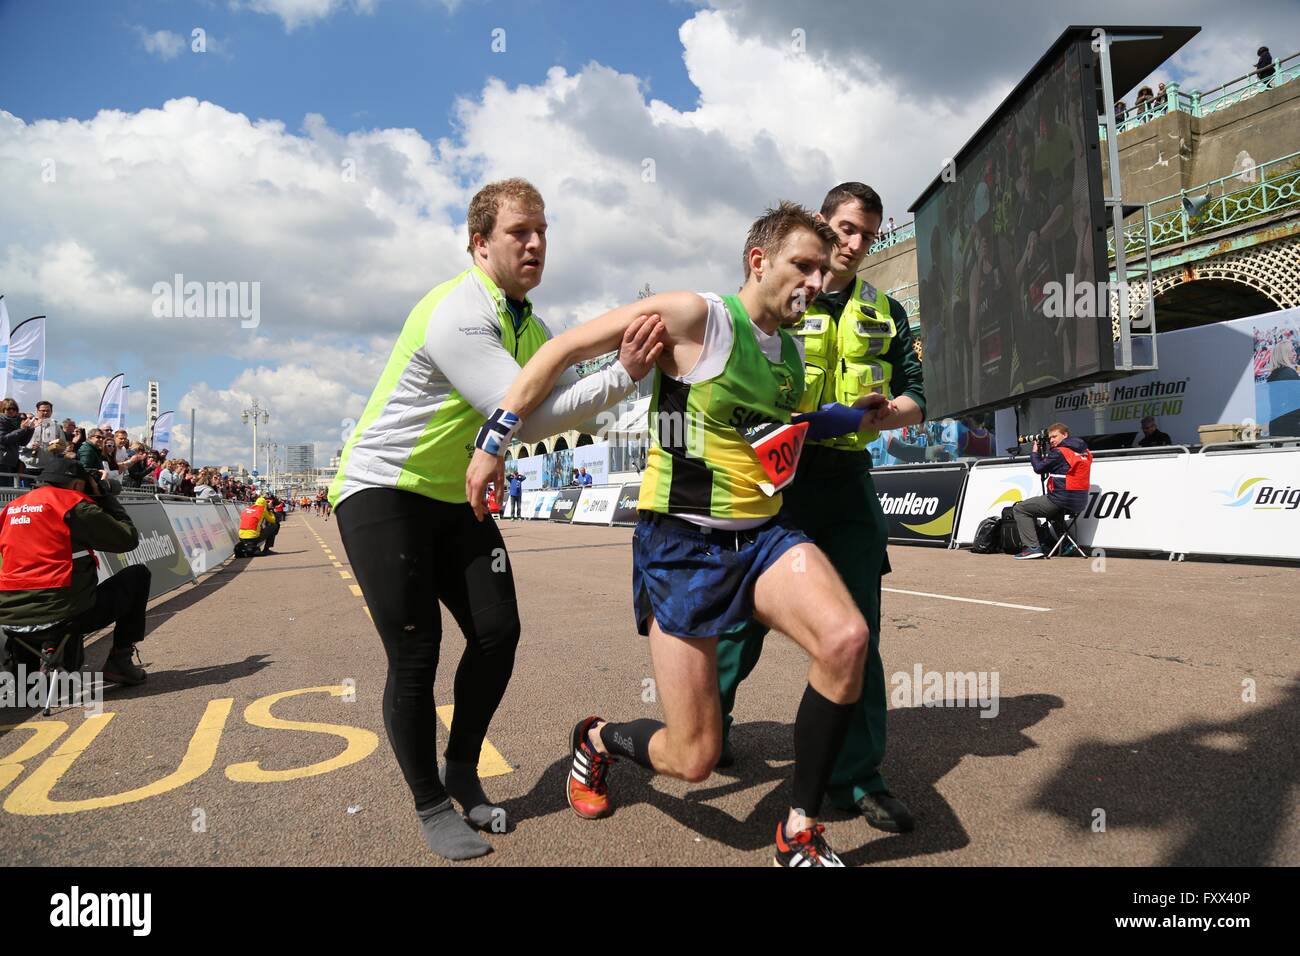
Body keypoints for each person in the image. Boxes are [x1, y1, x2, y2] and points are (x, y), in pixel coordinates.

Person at [466, 201, 882, 867]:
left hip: (763, 539)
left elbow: (771, 429)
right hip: (683, 548)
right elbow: (564, 346)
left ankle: (798, 828)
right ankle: (598, 741)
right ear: (758, 261)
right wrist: (495, 440)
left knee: (846, 639)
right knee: (694, 758)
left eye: (821, 271)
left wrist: (843, 418)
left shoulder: (793, 352)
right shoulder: (699, 316)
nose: (813, 281)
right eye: (800, 265)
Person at [328, 178, 664, 862]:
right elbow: (528, 417)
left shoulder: (531, 325)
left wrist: (621, 374)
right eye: (519, 232)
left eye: (542, 230)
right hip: (383, 491)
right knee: (416, 654)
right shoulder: (459, 311)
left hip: (455, 494)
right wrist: (622, 374)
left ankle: (461, 767)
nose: (536, 242)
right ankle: (430, 804)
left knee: (497, 634)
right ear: (480, 243)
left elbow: (564, 402)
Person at [716, 183, 926, 835]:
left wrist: (892, 413)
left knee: (859, 630)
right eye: (844, 228)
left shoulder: (886, 308)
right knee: (741, 618)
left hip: (847, 485)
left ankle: (857, 776)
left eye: (868, 232)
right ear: (821, 224)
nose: (855, 244)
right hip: (773, 481)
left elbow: (918, 391)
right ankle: (708, 723)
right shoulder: (782, 293)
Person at [0, 458, 150, 685]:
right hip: (60, 615)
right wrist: (105, 498)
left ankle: (34, 666)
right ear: (78, 485)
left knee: (71, 587)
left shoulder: (12, 507)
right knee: (138, 576)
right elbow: (127, 539)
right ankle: (120, 661)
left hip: (9, 618)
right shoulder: (71, 504)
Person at [1011, 422, 1092, 559]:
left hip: (1060, 499)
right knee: (1052, 513)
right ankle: (1067, 544)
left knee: (1020, 509)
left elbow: (1039, 468)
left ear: (1065, 435)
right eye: (1050, 438)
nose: (1052, 440)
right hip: (1079, 502)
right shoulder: (1085, 452)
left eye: (1055, 436)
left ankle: (1032, 548)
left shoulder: (1060, 452)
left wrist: (1035, 452)